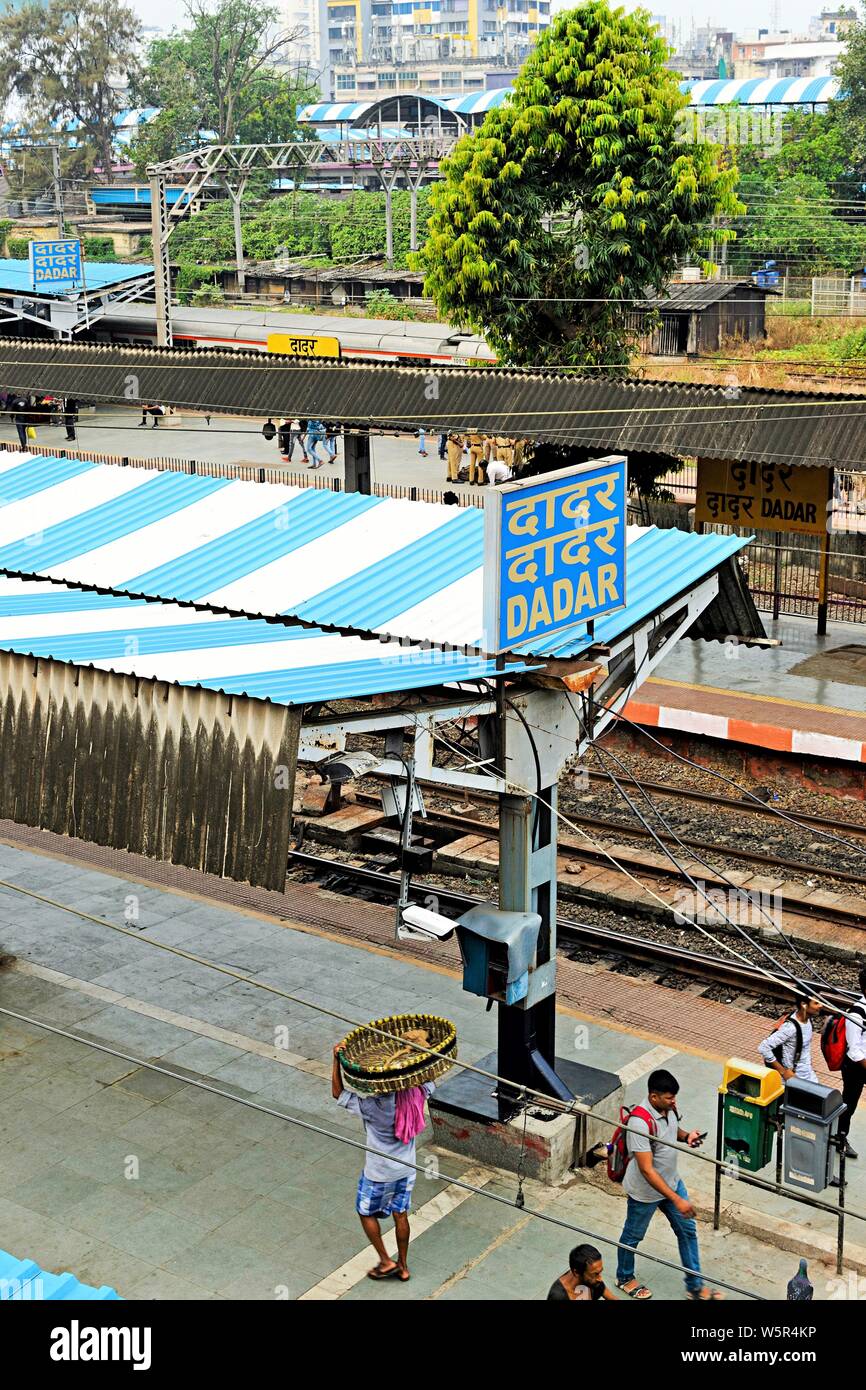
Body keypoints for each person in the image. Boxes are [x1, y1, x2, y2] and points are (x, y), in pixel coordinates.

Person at [331, 1044, 433, 1282]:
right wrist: (420, 1059)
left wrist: (335, 1060)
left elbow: (338, 1093)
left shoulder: (372, 1106)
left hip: (379, 1173)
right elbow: (431, 1080)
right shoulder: (415, 1095)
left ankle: (386, 1260)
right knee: (401, 1215)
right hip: (406, 1168)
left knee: (365, 1212)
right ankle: (404, 1266)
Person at [615, 1068, 719, 1301]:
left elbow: (673, 1130)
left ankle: (694, 1287)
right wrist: (677, 1199)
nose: (674, 1101)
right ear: (654, 1097)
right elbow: (647, 1170)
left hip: (672, 1182)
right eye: (669, 1097)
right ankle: (623, 1277)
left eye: (674, 1097)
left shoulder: (668, 1108)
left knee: (688, 1232)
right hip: (645, 1192)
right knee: (632, 1236)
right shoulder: (640, 1124)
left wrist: (686, 1136)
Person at [835, 964, 866, 1165]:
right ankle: (839, 1137)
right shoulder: (856, 1014)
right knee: (849, 1103)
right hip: (856, 1066)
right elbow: (854, 1051)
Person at [758, 994, 821, 1085]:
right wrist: (783, 1072)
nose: (821, 1005)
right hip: (795, 1078)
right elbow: (764, 1047)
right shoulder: (790, 1027)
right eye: (816, 1003)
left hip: (807, 1073)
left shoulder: (807, 1019)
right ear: (804, 1005)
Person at [547, 1244, 618, 1301]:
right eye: (596, 1274)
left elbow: (612, 1297)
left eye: (600, 1272)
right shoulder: (558, 1296)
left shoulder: (593, 1280)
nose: (600, 1278)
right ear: (576, 1273)